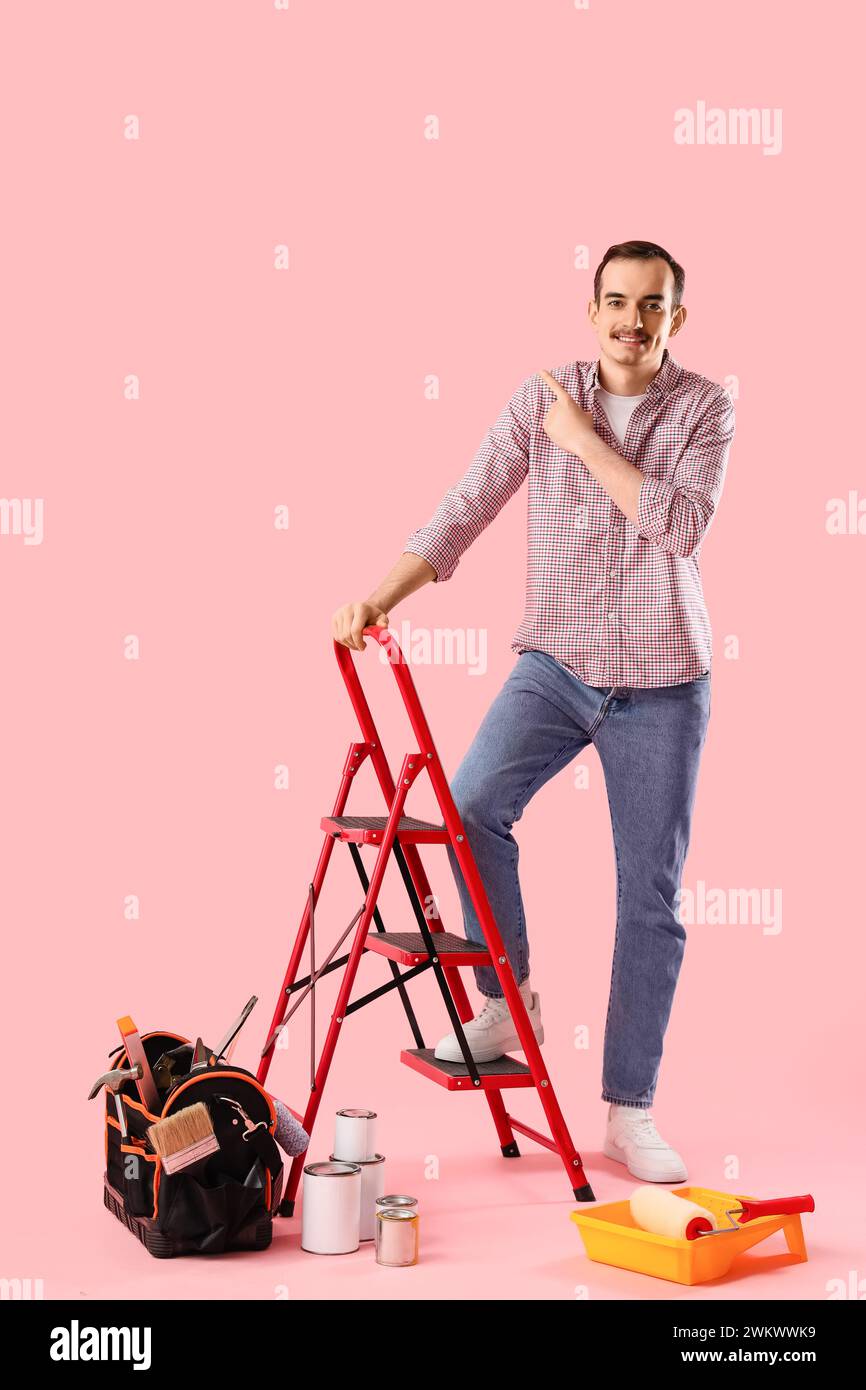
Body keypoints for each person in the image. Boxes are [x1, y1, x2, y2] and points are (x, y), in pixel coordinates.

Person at [332, 240, 735, 1182]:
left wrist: (585, 444)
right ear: (591, 309)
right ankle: (505, 1001)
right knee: (469, 806)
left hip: (663, 681)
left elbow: (677, 524)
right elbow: (467, 505)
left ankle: (629, 1109)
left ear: (678, 317)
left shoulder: (707, 407)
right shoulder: (540, 395)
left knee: (652, 896)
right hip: (554, 664)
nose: (632, 321)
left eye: (653, 305)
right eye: (616, 302)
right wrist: (378, 597)